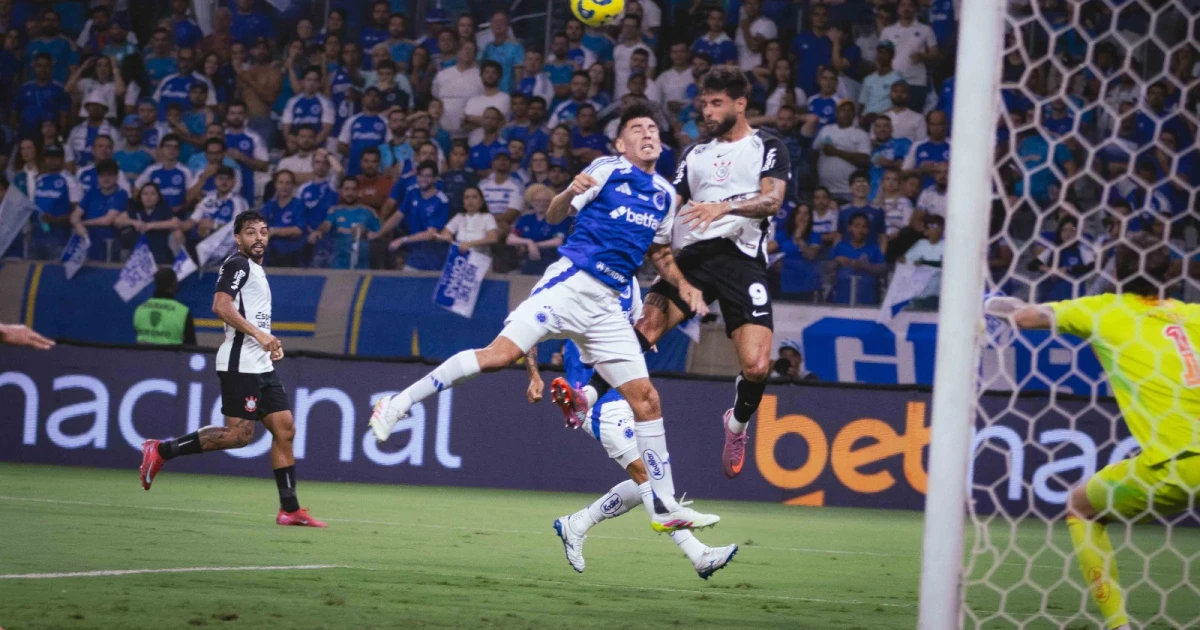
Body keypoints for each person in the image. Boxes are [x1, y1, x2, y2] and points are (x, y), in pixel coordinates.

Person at [371, 105, 718, 533]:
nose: (647, 133)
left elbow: (660, 252)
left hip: (607, 307)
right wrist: (567, 193)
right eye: (636, 129)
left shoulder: (664, 194)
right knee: (499, 356)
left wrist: (684, 286)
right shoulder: (607, 170)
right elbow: (555, 215)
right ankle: (396, 404)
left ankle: (664, 506)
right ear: (620, 143)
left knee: (646, 400)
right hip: (571, 284)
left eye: (652, 128)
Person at [564, 68, 791, 480]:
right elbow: (668, 203)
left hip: (742, 260)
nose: (707, 111)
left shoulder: (767, 145)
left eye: (716, 103)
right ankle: (588, 396)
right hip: (693, 256)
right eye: (704, 104)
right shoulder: (695, 154)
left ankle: (736, 423)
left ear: (740, 104)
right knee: (645, 329)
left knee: (758, 366)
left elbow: (772, 200)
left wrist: (724, 206)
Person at [984, 234, 1200, 630]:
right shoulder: (1192, 314)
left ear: (1115, 272)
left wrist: (987, 303)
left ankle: (1118, 625)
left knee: (1080, 507)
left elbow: (1025, 316)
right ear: (1170, 273)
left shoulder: (1103, 310)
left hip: (1175, 465)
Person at [524, 298, 738, 579]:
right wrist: (534, 375)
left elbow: (641, 323)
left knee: (648, 479)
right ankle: (699, 555)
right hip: (597, 403)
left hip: (627, 397)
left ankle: (576, 525)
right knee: (649, 478)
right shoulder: (577, 296)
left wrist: (645, 338)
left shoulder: (628, 291)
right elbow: (530, 327)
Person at [139, 211, 325, 528]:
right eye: (251, 232)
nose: (259, 237)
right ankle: (161, 450)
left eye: (263, 231)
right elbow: (220, 305)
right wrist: (260, 335)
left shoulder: (256, 270)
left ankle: (290, 510)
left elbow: (252, 316)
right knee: (239, 436)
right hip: (240, 363)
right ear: (238, 238)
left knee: (285, 430)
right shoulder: (237, 263)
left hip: (260, 363)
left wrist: (269, 341)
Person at [384, 160, 451, 270]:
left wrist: (402, 240)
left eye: (428, 176)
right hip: (414, 255)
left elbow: (430, 234)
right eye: (420, 175)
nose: (423, 179)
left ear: (435, 179)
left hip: (434, 257)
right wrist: (379, 233)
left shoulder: (442, 201)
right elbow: (398, 215)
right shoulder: (412, 192)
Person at [308, 177, 382, 269]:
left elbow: (381, 235)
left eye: (354, 189)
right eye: (346, 189)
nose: (350, 193)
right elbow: (326, 225)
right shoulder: (334, 211)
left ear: (358, 191)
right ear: (341, 191)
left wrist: (366, 233)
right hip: (338, 266)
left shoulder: (369, 212)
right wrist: (318, 231)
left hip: (362, 267)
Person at [29, 144, 82, 260]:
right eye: (49, 157)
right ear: (44, 159)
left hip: (59, 238)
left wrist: (56, 219)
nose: (52, 160)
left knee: (56, 270)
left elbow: (78, 212)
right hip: (36, 236)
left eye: (56, 157)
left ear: (62, 159)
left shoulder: (71, 181)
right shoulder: (39, 179)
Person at [813, 100, 871, 201]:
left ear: (854, 115)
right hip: (825, 191)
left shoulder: (861, 134)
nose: (846, 114)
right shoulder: (825, 130)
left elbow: (865, 160)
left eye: (850, 111)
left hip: (850, 191)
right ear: (836, 113)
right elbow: (814, 153)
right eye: (843, 110)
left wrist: (836, 152)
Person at [71, 158, 127, 261]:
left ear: (116, 177)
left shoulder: (121, 194)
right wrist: (78, 225)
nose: (106, 179)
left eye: (110, 175)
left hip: (109, 241)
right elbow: (74, 216)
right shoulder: (92, 192)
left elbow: (107, 220)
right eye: (102, 175)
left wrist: (82, 223)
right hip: (87, 239)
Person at [831, 212, 886, 305]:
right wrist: (837, 261)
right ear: (850, 228)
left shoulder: (874, 248)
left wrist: (865, 266)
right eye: (856, 226)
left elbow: (883, 269)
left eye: (864, 227)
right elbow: (827, 269)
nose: (860, 230)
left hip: (867, 300)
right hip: (841, 299)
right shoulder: (840, 246)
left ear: (868, 230)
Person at [133, 269, 197, 345]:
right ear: (174, 284)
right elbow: (191, 346)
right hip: (171, 353)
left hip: (143, 353)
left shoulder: (140, 309)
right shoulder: (182, 312)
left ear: (156, 284)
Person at [135, 134, 194, 216]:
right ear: (161, 149)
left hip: (177, 216)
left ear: (179, 151)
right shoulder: (151, 170)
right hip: (154, 216)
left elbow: (191, 197)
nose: (172, 150)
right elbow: (136, 190)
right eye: (168, 146)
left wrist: (181, 207)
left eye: (175, 147)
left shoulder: (185, 171)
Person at [897, 214, 945, 308]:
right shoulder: (921, 244)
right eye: (931, 226)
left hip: (937, 293)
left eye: (937, 226)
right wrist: (903, 260)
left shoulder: (947, 245)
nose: (935, 230)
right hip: (919, 292)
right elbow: (907, 259)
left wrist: (924, 263)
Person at [282, 68, 335, 146]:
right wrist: (302, 144)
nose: (312, 83)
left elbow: (326, 130)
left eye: (315, 80)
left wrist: (310, 145)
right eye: (308, 80)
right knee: (290, 145)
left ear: (319, 84)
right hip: (297, 144)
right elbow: (286, 131)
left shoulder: (326, 103)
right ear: (302, 82)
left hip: (317, 144)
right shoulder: (292, 102)